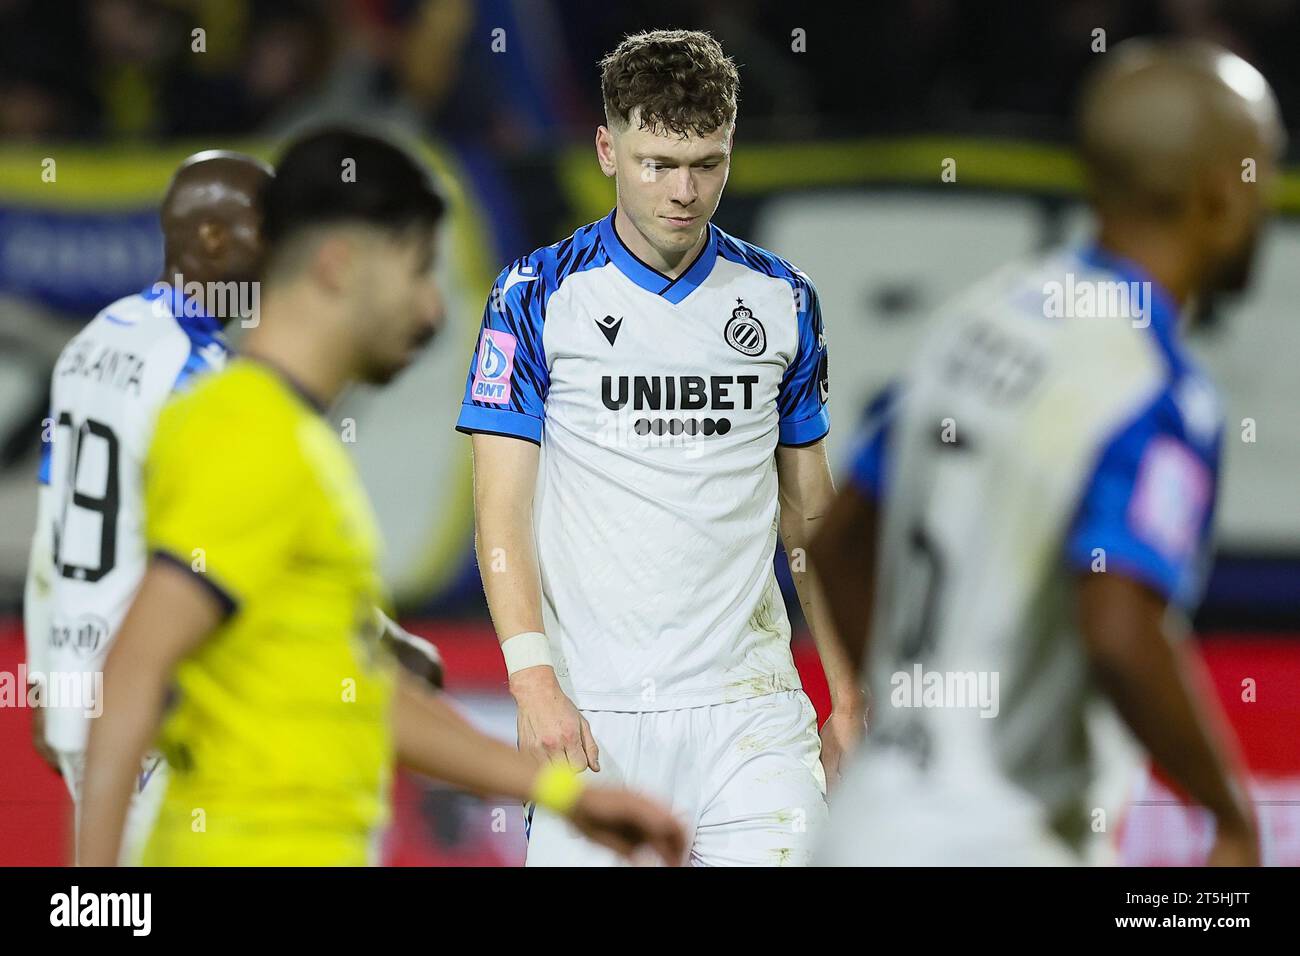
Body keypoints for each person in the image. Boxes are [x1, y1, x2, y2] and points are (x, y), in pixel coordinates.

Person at [78, 127, 686, 867]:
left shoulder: (291, 442)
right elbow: (134, 668)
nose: (433, 310)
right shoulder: (246, 431)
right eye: (418, 269)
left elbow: (363, 696)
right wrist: (95, 901)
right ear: (340, 265)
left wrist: (568, 796)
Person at [810, 40, 1280, 865]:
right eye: (1263, 171)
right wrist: (1229, 812)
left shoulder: (980, 318)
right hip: (999, 845)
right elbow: (1118, 625)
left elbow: (841, 538)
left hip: (863, 827)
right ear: (1221, 194)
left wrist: (917, 715)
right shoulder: (1153, 384)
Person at [456, 30, 856, 866]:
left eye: (706, 164)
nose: (684, 190)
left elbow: (810, 514)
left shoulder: (783, 299)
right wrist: (532, 681)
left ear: (731, 149)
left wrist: (848, 693)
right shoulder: (535, 296)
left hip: (752, 712)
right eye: (656, 162)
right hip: (594, 716)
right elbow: (501, 508)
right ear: (607, 148)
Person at [24, 150, 270, 864]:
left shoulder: (93, 342)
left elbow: (52, 530)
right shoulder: (203, 378)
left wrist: (47, 678)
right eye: (268, 231)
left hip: (81, 685)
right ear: (216, 240)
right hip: (155, 701)